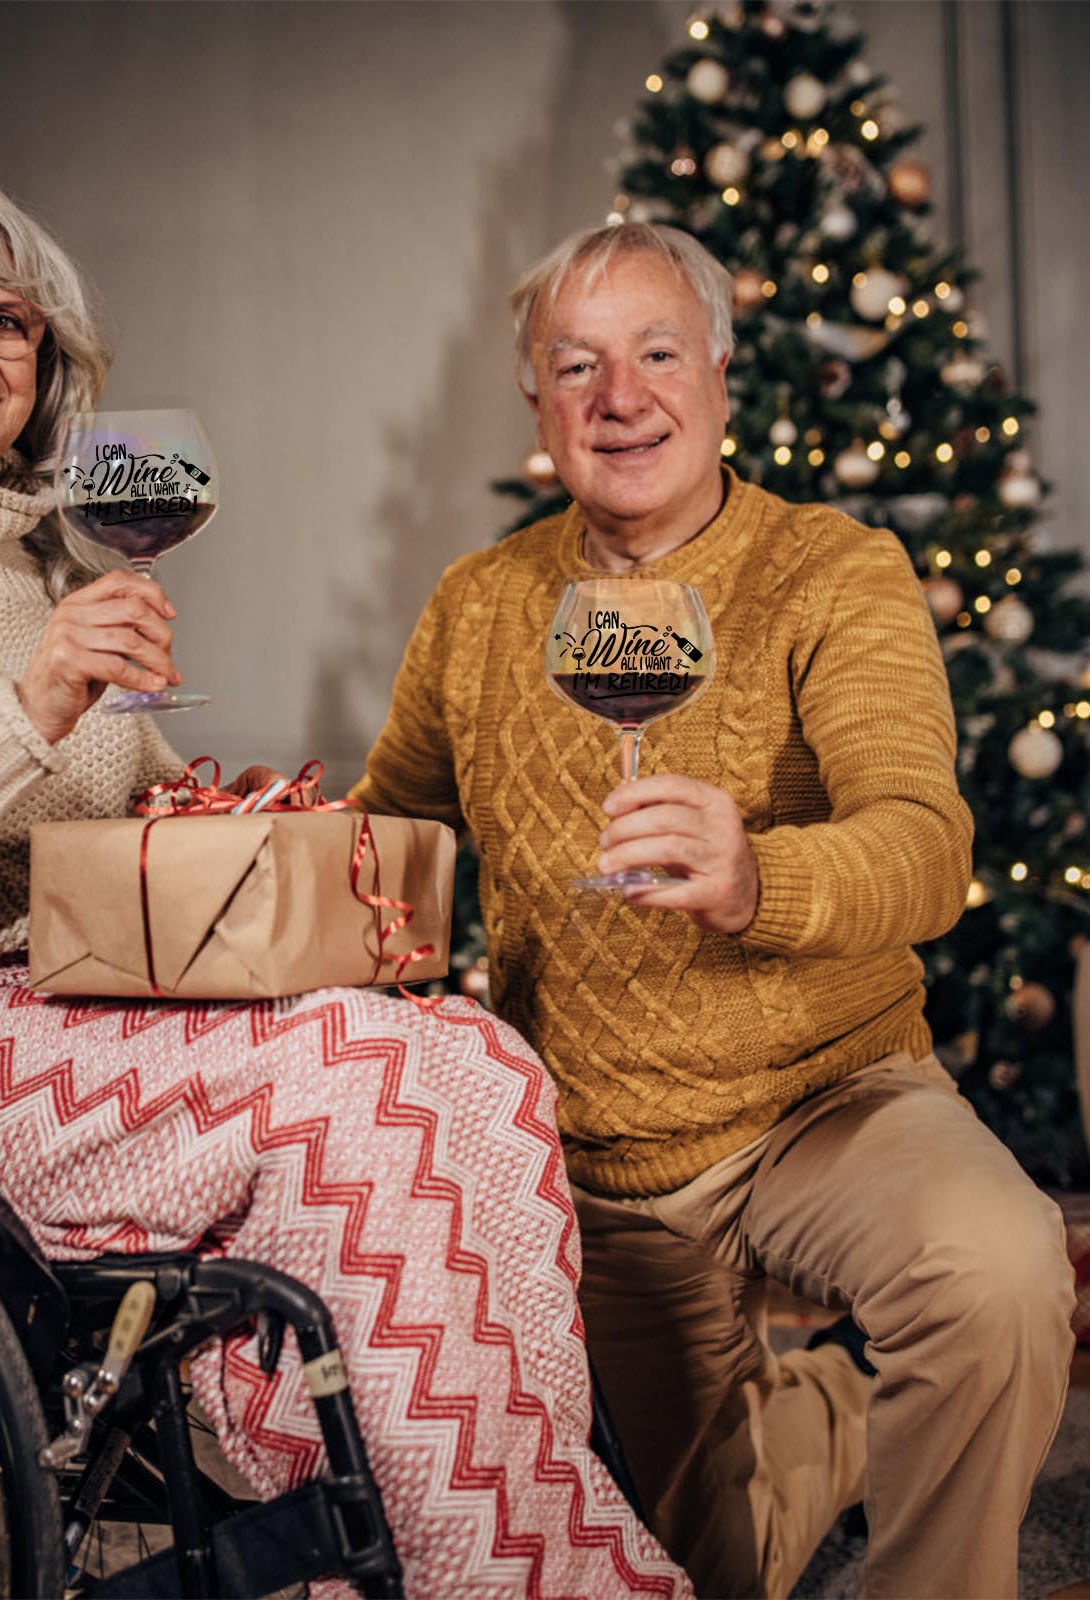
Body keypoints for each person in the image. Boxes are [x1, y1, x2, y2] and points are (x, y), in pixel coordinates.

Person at [0, 169, 687, 1598]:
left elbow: (116, 813)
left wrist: (214, 806)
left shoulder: (37, 562)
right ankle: (465, 1557)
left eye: (12, 324)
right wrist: (32, 702)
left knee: (473, 1057)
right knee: (358, 1077)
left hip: (66, 1001)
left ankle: (469, 1520)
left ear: (50, 365)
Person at [353, 220, 1077, 1600]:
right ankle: (829, 1417)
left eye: (657, 353)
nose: (620, 398)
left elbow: (925, 849)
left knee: (995, 1269)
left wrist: (759, 881)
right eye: (577, 366)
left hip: (829, 1098)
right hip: (601, 1161)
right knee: (698, 1577)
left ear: (723, 374)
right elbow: (391, 837)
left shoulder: (833, 570)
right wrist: (252, 851)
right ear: (537, 402)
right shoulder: (480, 601)